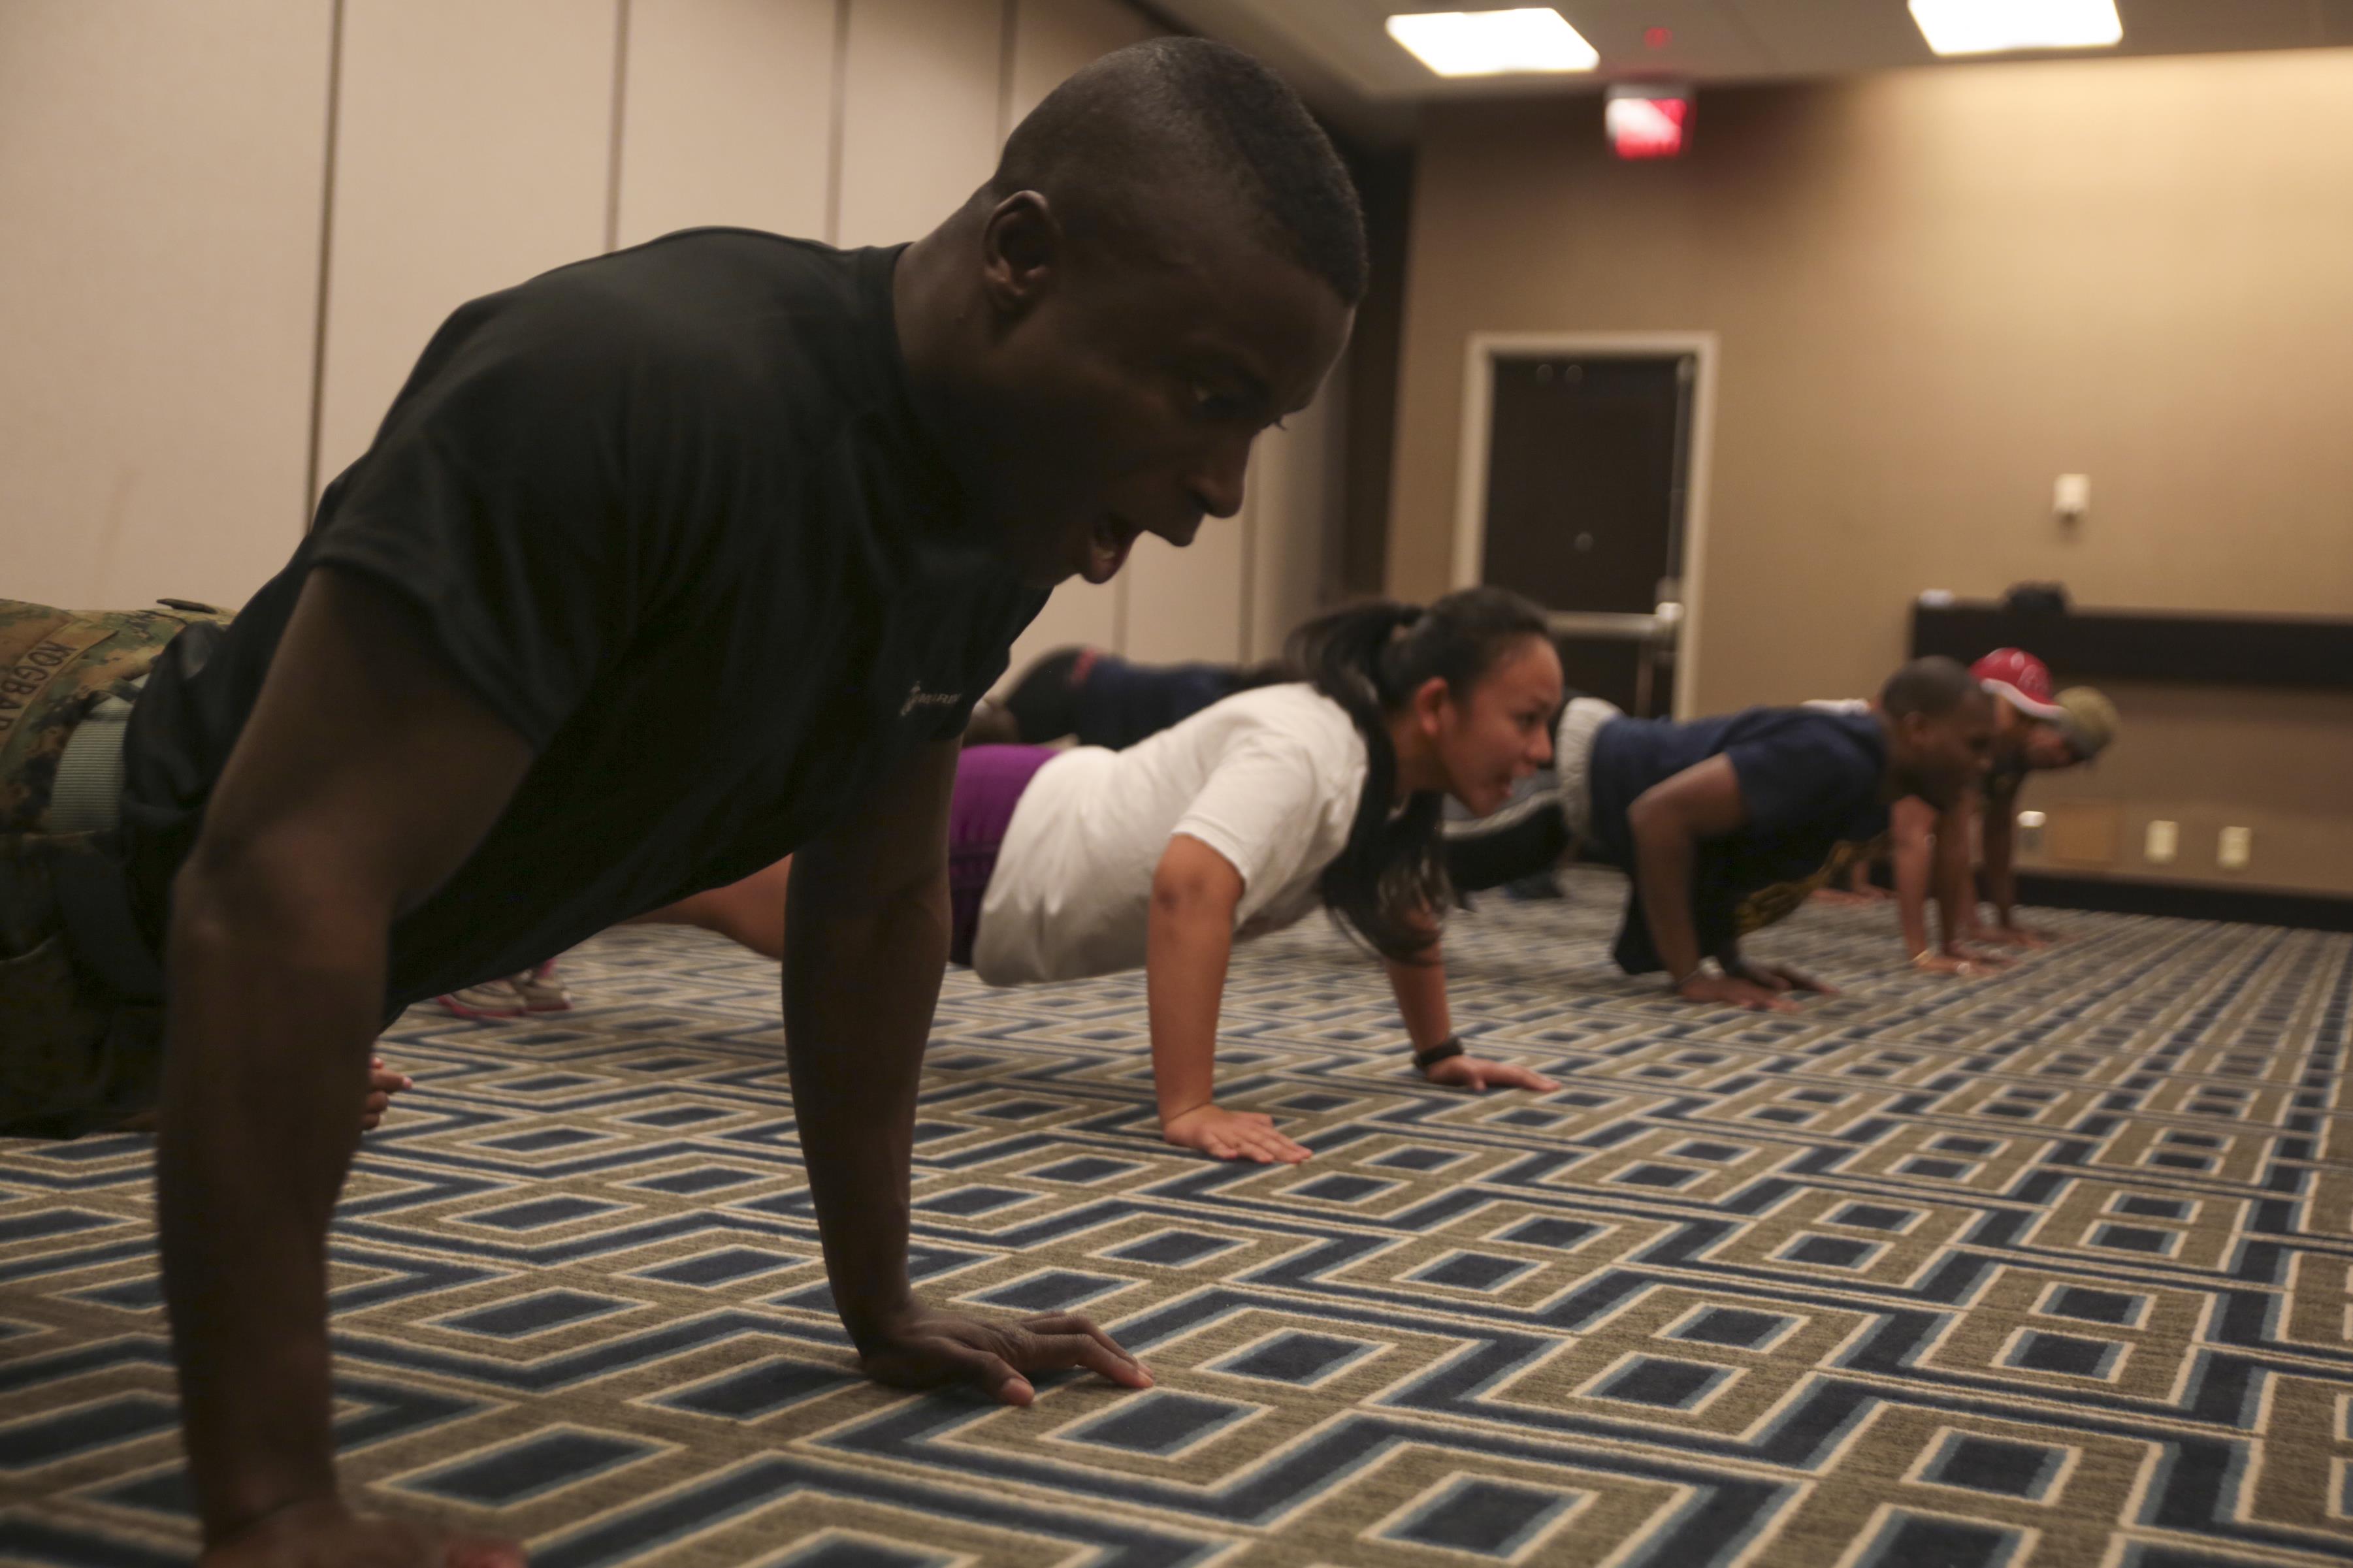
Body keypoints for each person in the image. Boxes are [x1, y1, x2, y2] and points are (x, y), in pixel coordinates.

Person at [0, 38, 1358, 1568]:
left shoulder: (995, 517)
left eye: (1264, 428)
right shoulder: (631, 383)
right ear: (1020, 256)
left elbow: (876, 909)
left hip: (145, 987)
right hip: (52, 840)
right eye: (1207, 395)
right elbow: (271, 891)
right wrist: (274, 1510)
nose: (1228, 487)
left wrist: (879, 1298)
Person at [625, 590, 1568, 1164]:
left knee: (697, 869)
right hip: (988, 849)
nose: (1537, 752)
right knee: (693, 883)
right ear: (1438, 705)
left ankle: (555, 887)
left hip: (1014, 839)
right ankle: (516, 906)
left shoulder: (1388, 781)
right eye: (1525, 720)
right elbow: (1189, 884)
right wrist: (1188, 1105)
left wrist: (1437, 1051)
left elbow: (1402, 898)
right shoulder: (1308, 747)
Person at [1442, 658, 1997, 1010]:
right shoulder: (1833, 757)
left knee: (1413, 886)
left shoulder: (1869, 782)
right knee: (1390, 867)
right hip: (1567, 772)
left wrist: (1729, 959)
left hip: (1587, 801)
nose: (1984, 765)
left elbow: (1729, 849)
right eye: (1974, 745)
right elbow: (1659, 818)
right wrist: (1690, 974)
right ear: (1919, 729)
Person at [962, 645, 1293, 750]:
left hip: (1079, 674)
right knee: (992, 736)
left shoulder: (1217, 685)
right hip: (1073, 685)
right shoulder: (1204, 695)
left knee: (993, 732)